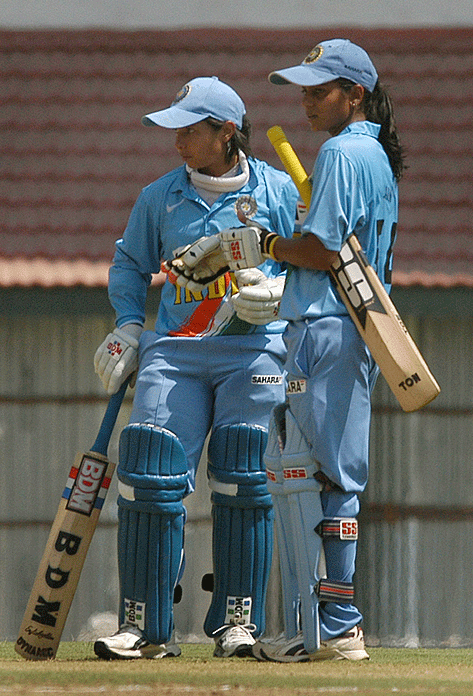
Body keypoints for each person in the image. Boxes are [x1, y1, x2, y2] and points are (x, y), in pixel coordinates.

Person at [92, 76, 299, 660]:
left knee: (244, 471)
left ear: (226, 132)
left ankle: (239, 622)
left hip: (255, 350)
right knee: (149, 470)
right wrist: (130, 323)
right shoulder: (159, 196)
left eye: (189, 129)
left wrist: (280, 290)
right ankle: (143, 627)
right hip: (175, 351)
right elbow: (130, 262)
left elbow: (315, 261)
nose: (177, 140)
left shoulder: (280, 191)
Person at [210, 38, 404, 661]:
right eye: (305, 90)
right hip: (346, 326)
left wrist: (265, 243)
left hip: (326, 325)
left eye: (321, 91)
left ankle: (330, 626)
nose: (307, 102)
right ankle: (325, 622)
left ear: (356, 94)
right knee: (321, 473)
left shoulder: (344, 153)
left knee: (310, 474)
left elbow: (320, 250)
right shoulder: (368, 153)